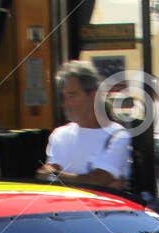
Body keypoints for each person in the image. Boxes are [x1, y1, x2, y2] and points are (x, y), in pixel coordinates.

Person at [39, 61, 130, 191]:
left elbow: (97, 181)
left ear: (93, 96)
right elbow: (44, 177)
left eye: (72, 95)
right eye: (63, 97)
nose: (66, 103)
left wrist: (55, 175)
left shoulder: (118, 136)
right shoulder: (59, 135)